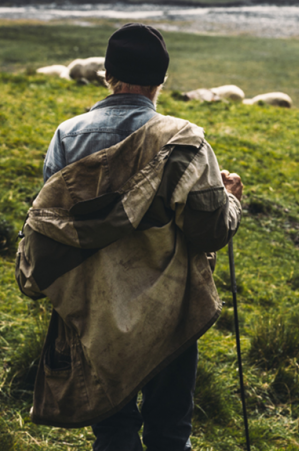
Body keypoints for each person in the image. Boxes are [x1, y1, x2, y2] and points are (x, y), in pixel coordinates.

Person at [15, 23, 243, 451]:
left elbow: (50, 220)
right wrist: (230, 200)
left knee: (114, 430)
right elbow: (209, 232)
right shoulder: (185, 142)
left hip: (93, 310)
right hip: (169, 312)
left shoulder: (66, 137)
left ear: (107, 75)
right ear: (161, 81)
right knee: (169, 430)